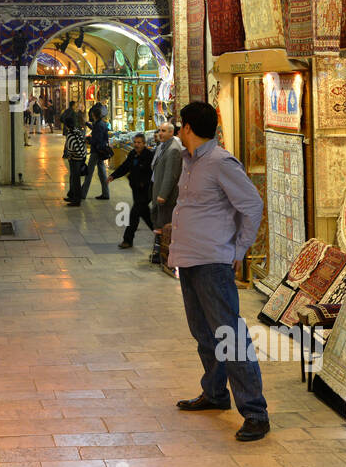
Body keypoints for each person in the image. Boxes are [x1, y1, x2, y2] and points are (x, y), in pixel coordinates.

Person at [169, 102, 268, 442]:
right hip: (189, 260)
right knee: (203, 333)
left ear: (187, 128)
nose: (178, 130)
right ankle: (214, 393)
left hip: (213, 262)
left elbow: (252, 204)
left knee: (230, 337)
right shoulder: (190, 162)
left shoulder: (219, 162)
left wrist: (239, 250)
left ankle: (255, 412)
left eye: (180, 125)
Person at [110, 133, 154, 249]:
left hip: (145, 191)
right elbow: (125, 167)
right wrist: (113, 176)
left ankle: (127, 240)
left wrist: (143, 182)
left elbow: (151, 174)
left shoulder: (149, 156)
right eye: (135, 142)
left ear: (144, 144)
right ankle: (160, 234)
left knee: (134, 214)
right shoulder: (133, 154)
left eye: (139, 142)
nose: (136, 144)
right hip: (136, 190)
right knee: (146, 215)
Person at [149, 122, 183, 265]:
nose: (160, 133)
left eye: (163, 131)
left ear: (171, 132)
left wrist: (163, 194)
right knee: (158, 222)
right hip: (158, 190)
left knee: (164, 224)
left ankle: (163, 255)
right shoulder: (164, 147)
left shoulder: (173, 149)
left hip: (167, 196)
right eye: (160, 130)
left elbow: (171, 175)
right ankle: (159, 253)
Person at [80, 106, 111, 200]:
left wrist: (88, 140)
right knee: (102, 173)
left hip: (96, 152)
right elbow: (96, 130)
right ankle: (106, 193)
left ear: (93, 115)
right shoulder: (102, 123)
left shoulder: (98, 125)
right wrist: (86, 123)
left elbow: (97, 139)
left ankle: (82, 194)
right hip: (101, 151)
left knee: (89, 173)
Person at [62, 117, 87, 206]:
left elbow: (70, 147)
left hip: (75, 158)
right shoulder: (78, 131)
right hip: (81, 157)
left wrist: (69, 155)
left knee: (75, 179)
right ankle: (72, 195)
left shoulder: (70, 134)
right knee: (74, 177)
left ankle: (76, 200)